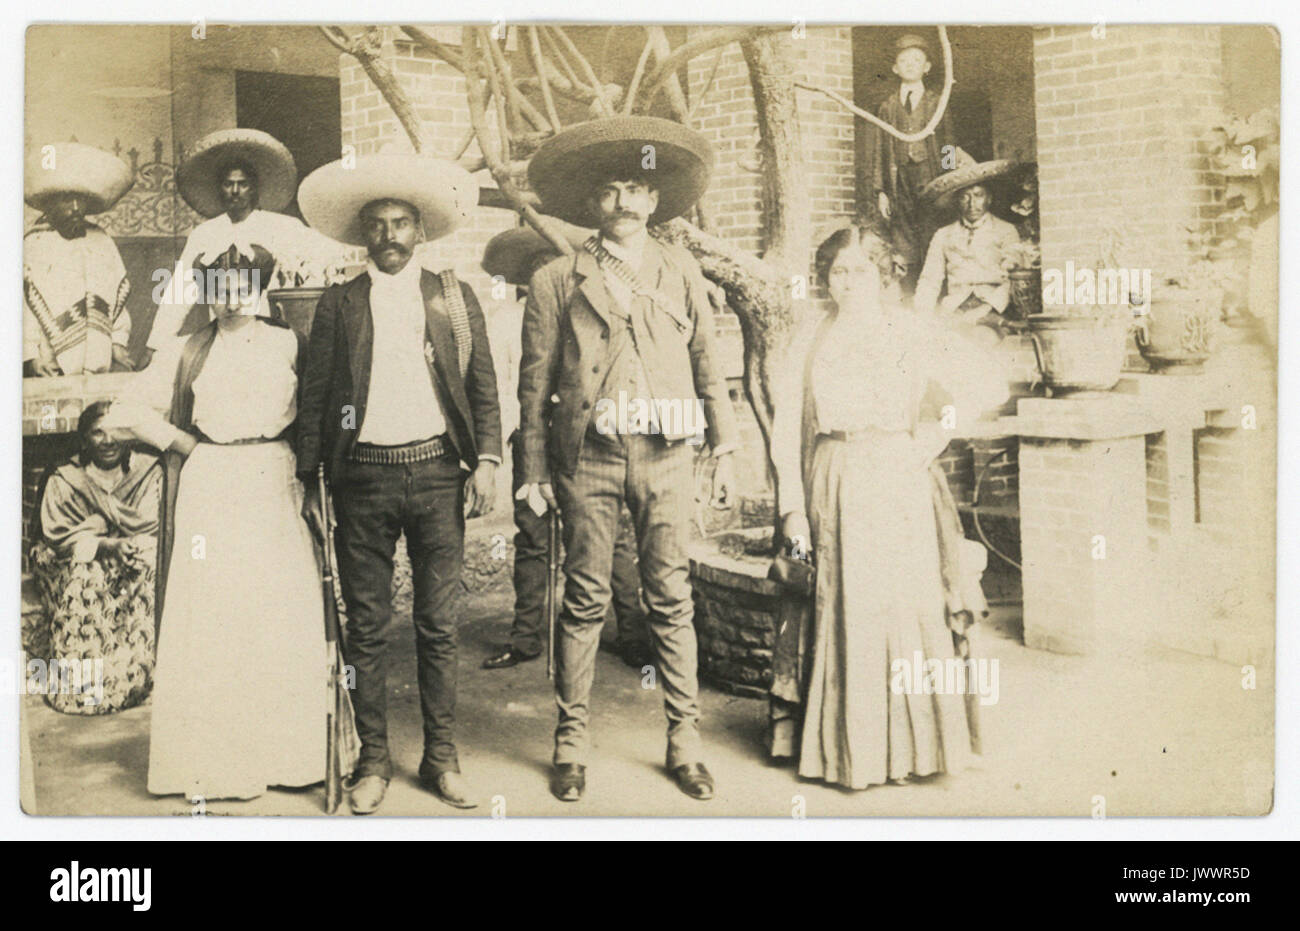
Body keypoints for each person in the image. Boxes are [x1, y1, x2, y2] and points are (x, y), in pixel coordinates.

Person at [521, 116, 740, 802]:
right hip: (588, 457)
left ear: (654, 200)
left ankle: (685, 739)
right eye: (611, 191)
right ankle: (572, 740)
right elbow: (532, 384)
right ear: (592, 204)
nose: (624, 203)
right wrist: (532, 471)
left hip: (669, 452)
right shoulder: (557, 278)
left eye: (637, 190)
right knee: (584, 600)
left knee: (671, 598)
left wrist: (725, 445)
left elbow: (710, 363)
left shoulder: (681, 270)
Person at [295, 153, 502, 815]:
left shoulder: (453, 298)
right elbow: (317, 395)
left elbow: (484, 390)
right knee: (368, 628)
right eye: (377, 224)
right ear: (364, 235)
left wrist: (490, 461)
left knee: (440, 625)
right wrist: (310, 480)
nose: (389, 234)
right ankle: (373, 759)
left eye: (401, 222)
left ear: (420, 230)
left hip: (439, 476)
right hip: (362, 483)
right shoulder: (339, 303)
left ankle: (442, 756)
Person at [770, 225, 1008, 790]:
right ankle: (852, 753)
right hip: (833, 473)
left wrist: (927, 442)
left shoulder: (911, 330)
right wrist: (792, 508)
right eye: (836, 271)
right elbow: (784, 428)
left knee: (903, 608)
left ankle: (917, 750)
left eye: (859, 270)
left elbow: (986, 386)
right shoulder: (811, 336)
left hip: (897, 477)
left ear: (884, 274)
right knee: (843, 607)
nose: (847, 282)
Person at [102, 233, 332, 800]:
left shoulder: (289, 344)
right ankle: (214, 764)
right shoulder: (188, 349)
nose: (230, 298)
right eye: (218, 287)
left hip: (274, 479)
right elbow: (124, 409)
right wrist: (182, 443)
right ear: (204, 291)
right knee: (217, 617)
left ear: (259, 288)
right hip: (211, 480)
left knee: (277, 615)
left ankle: (290, 758)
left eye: (242, 286)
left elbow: (318, 414)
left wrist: (309, 477)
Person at [479, 220, 651, 670]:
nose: (546, 272)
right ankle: (526, 635)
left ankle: (632, 631)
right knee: (533, 537)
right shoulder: (504, 321)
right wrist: (516, 442)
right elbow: (504, 384)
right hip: (534, 437)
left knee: (606, 534)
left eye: (553, 261)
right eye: (536, 265)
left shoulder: (589, 306)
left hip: (585, 439)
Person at [145, 129, 341, 358]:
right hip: (224, 334)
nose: (235, 191)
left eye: (243, 184)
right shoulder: (204, 234)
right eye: (229, 184)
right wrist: (156, 344)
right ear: (220, 188)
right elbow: (179, 293)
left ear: (255, 187)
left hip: (271, 337)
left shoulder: (284, 227)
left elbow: (322, 264)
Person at [30, 401, 162, 714]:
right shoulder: (66, 478)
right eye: (97, 433)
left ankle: (132, 676)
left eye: (116, 431)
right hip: (79, 557)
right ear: (84, 438)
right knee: (86, 579)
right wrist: (103, 544)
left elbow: (153, 522)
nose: (108, 441)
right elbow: (58, 536)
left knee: (145, 568)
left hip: (131, 550)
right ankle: (83, 687)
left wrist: (124, 547)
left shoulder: (147, 472)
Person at [24, 143, 135, 376]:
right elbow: (21, 307)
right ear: (50, 203)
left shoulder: (101, 241)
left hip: (98, 355)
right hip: (48, 360)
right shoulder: (34, 244)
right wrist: (31, 357)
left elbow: (116, 297)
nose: (75, 208)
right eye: (67, 200)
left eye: (80, 200)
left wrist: (118, 342)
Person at [871, 34, 952, 292]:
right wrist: (882, 191)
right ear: (895, 68)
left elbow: (949, 142)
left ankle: (932, 298)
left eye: (916, 60)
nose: (910, 64)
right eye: (904, 60)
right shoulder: (888, 107)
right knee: (903, 239)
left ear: (926, 67)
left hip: (932, 178)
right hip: (900, 181)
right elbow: (880, 150)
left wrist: (949, 179)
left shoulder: (937, 102)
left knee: (932, 234)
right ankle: (907, 298)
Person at [913, 149, 1022, 341]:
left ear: (989, 198)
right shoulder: (943, 235)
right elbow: (930, 279)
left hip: (993, 309)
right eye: (965, 196)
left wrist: (987, 308)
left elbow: (1012, 279)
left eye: (978, 195)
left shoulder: (1006, 231)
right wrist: (922, 316)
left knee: (982, 340)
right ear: (957, 200)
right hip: (954, 310)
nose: (972, 203)